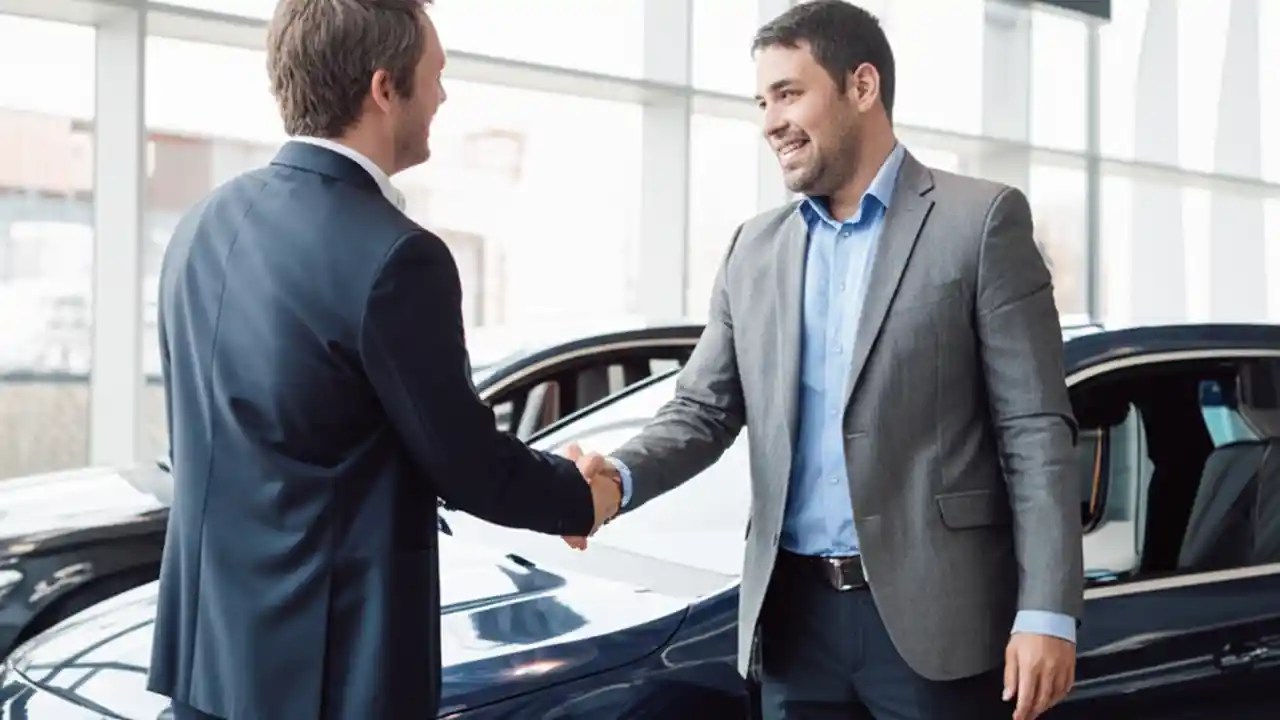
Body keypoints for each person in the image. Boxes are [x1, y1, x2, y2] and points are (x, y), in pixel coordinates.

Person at [568, 2, 1082, 719]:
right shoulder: (755, 247)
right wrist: (614, 481)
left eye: (788, 93)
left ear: (861, 86)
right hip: (793, 625)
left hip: (938, 627)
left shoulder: (981, 221)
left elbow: (1035, 429)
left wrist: (1048, 611)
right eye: (761, 101)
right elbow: (702, 410)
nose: (769, 120)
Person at [146, 2, 621, 718]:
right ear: (383, 88)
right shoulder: (399, 256)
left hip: (208, 666)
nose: (442, 97)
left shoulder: (201, 225)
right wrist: (586, 496)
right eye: (435, 75)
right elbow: (467, 465)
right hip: (329, 681)